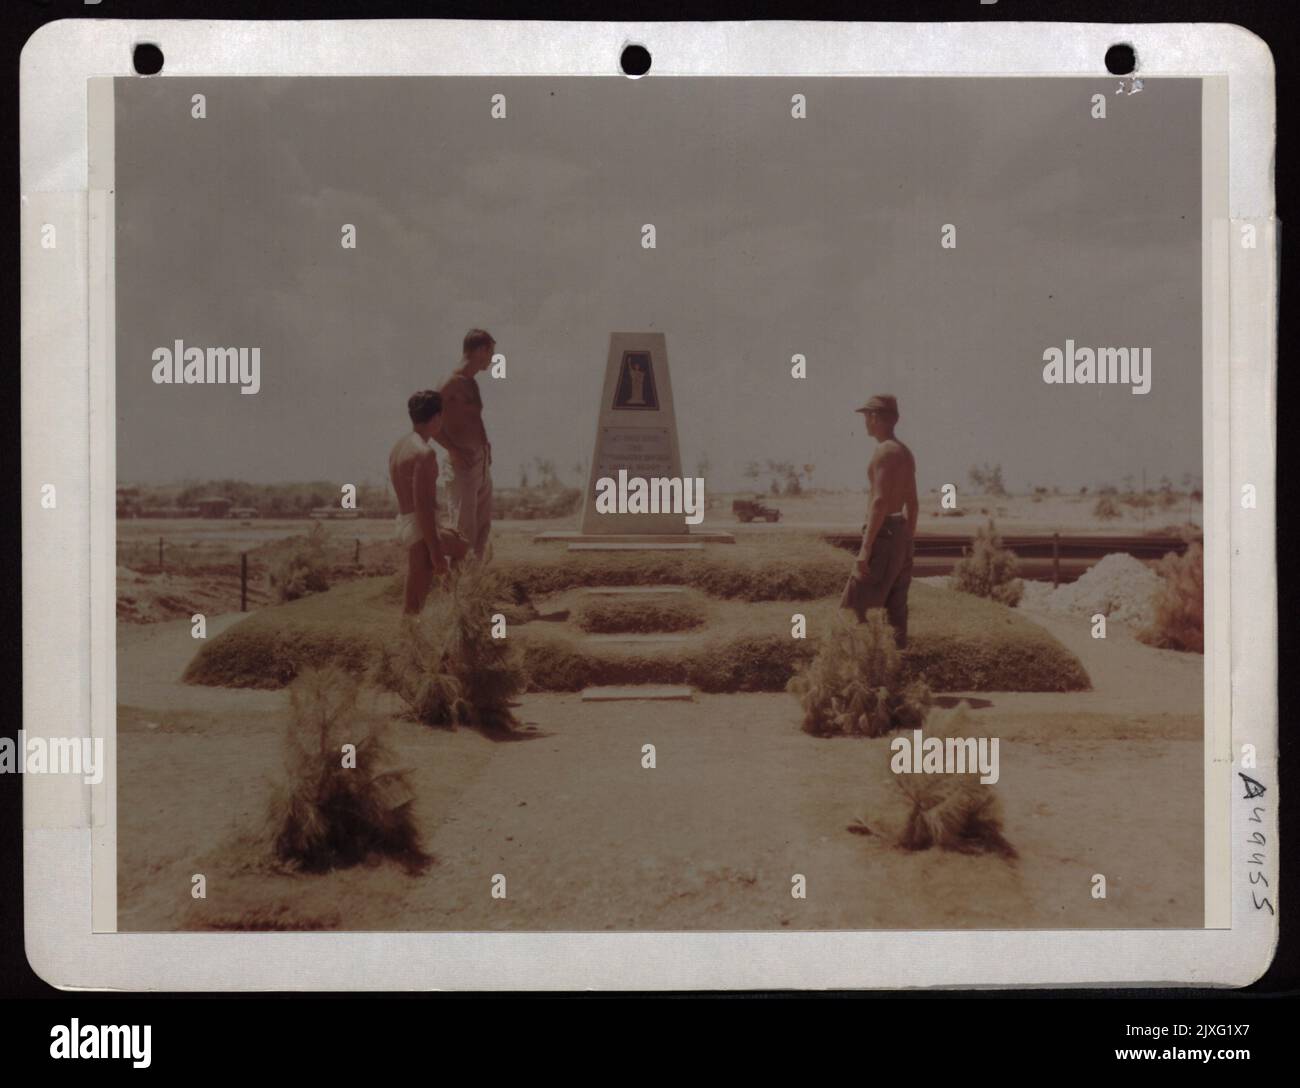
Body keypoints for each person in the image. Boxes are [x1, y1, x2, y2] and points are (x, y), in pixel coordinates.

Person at [840, 394, 918, 647]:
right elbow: (913, 504)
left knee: (854, 612)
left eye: (866, 417)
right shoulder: (905, 452)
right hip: (900, 536)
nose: (865, 423)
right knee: (895, 616)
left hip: (882, 537)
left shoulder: (884, 452)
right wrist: (907, 541)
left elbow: (880, 502)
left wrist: (865, 548)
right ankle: (894, 677)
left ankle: (855, 678)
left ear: (875, 418)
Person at [389, 390, 469, 615]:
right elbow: (422, 505)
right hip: (419, 529)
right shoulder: (425, 454)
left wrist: (439, 531)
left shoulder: (399, 447)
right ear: (435, 418)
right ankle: (451, 612)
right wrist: (435, 551)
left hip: (406, 523)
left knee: (460, 544)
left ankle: (449, 611)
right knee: (414, 607)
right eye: (441, 418)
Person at [434, 329, 497, 560]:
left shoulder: (472, 383)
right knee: (463, 527)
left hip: (479, 461)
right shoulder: (449, 382)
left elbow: (475, 418)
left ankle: (475, 581)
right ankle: (456, 586)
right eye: (491, 352)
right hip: (460, 464)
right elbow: (429, 420)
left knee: (482, 526)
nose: (492, 359)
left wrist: (486, 446)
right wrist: (453, 449)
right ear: (481, 350)